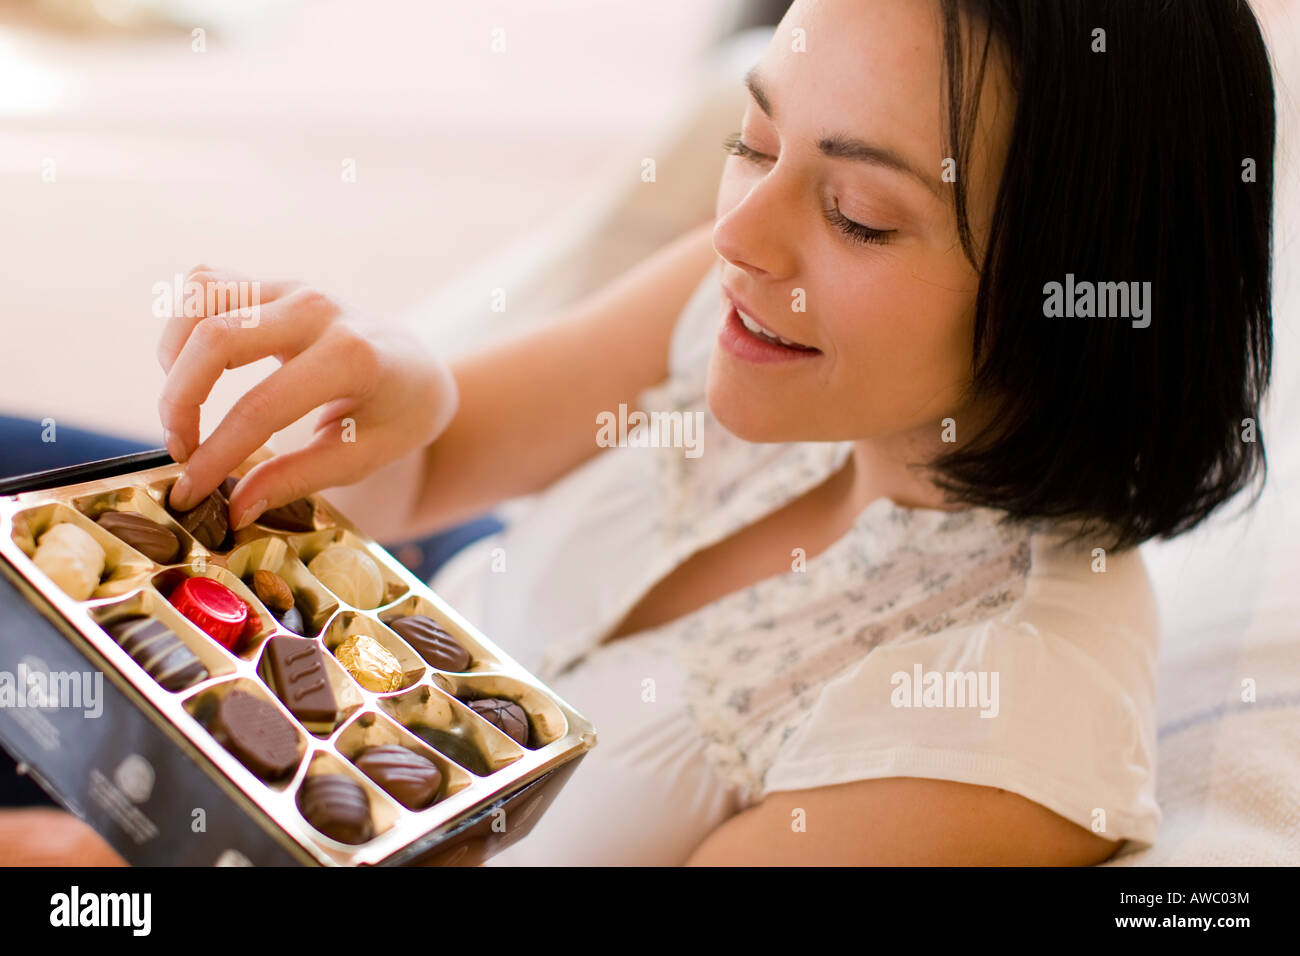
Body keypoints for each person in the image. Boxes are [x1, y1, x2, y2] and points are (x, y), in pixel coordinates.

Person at [2, 0, 1275, 865]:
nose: (737, 235)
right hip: (318, 664)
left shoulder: (991, 741)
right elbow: (431, 472)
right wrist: (407, 387)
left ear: (1079, 290)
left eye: (859, 215)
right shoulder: (768, 325)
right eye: (754, 139)